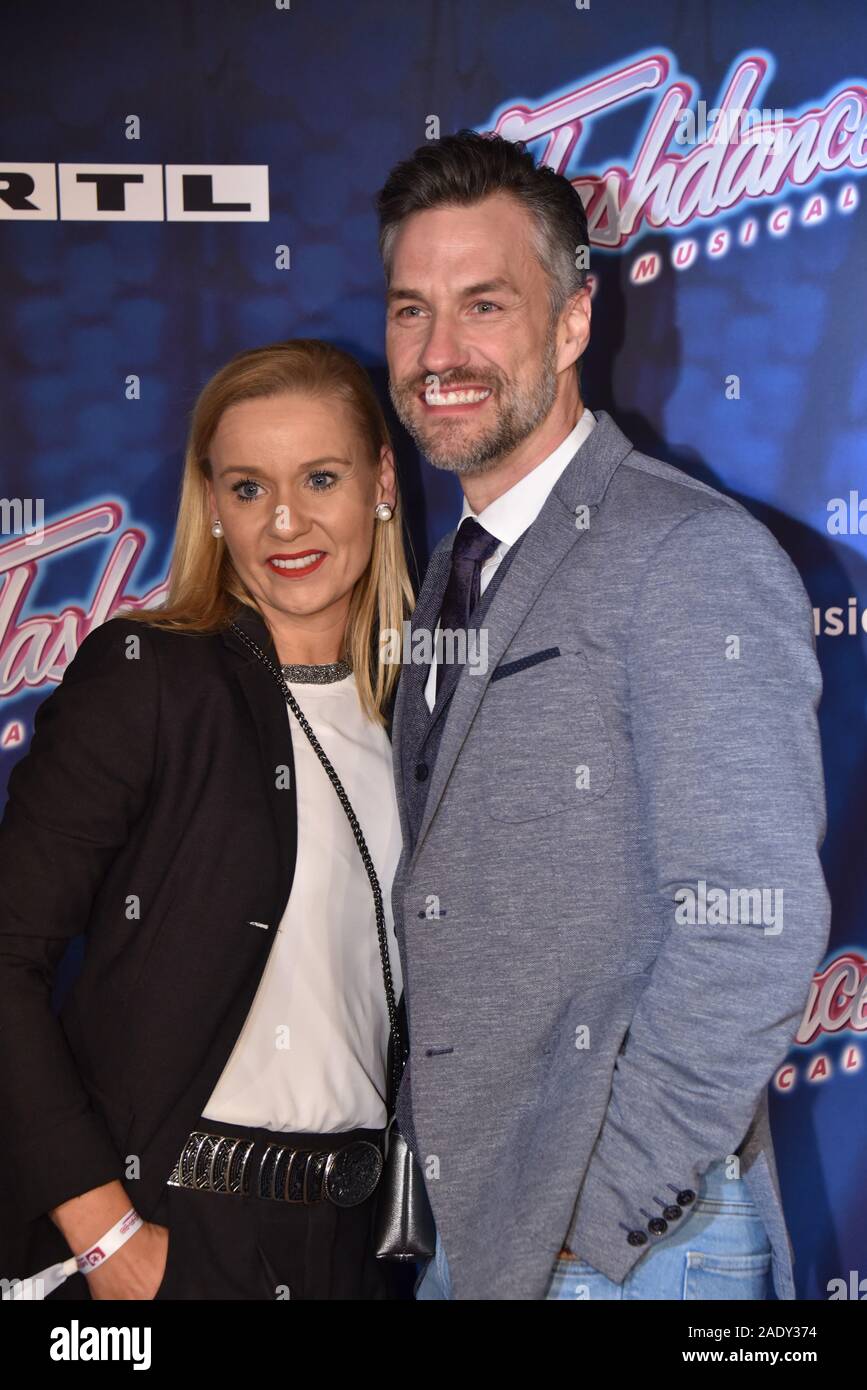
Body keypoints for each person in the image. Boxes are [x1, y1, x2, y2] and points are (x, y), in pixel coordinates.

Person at [375, 129, 831, 1300]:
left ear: (574, 323)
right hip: (488, 1232)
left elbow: (753, 923)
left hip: (634, 1253)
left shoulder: (687, 554)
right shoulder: (450, 567)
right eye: (411, 311)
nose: (440, 352)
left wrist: (597, 1224)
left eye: (485, 306)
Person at [0, 339, 416, 1300]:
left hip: (351, 1247)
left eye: (320, 477)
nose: (285, 520)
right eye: (245, 488)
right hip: (165, 1239)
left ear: (381, 481)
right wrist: (108, 1240)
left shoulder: (423, 712)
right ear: (212, 508)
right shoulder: (149, 679)